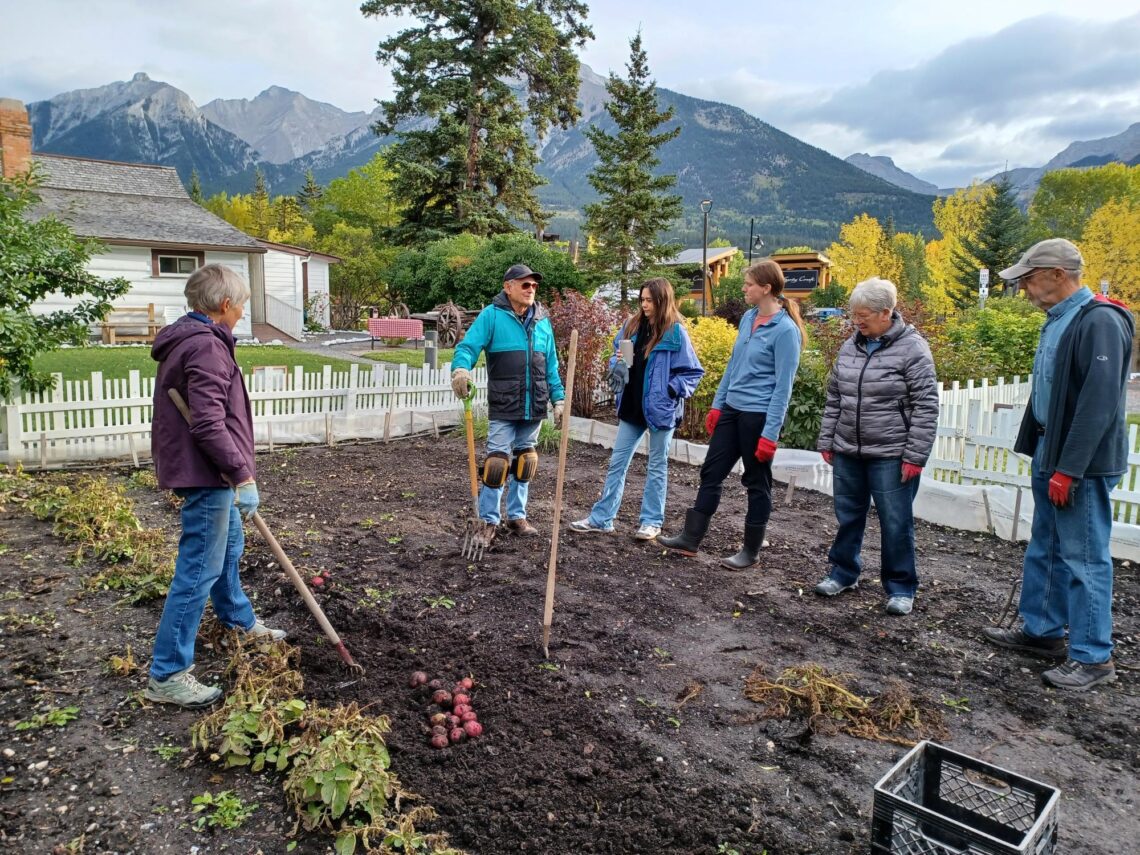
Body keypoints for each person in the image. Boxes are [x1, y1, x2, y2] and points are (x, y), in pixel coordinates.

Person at [982, 238, 1132, 691]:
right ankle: (1041, 631)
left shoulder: (1100, 321)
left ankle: (1092, 657)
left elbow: (1098, 403)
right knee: (1045, 545)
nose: (1024, 289)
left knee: (1084, 557)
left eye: (1028, 279)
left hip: (1078, 465)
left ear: (1056, 275)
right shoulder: (1060, 321)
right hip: (1053, 455)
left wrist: (1069, 468)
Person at [145, 264, 286, 709]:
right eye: (241, 304)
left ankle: (239, 621)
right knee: (198, 571)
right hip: (208, 475)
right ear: (225, 305)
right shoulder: (206, 347)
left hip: (208, 472)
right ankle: (168, 673)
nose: (242, 312)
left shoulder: (192, 339)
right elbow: (207, 422)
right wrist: (241, 473)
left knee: (228, 551)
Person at [659, 259, 805, 569]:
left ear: (766, 288)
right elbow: (733, 366)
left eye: (749, 284)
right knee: (711, 472)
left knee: (756, 481)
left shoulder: (786, 331)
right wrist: (717, 404)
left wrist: (770, 433)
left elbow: (783, 387)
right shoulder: (749, 318)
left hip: (758, 416)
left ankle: (750, 552)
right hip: (732, 410)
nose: (744, 288)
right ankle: (690, 539)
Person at [813, 277, 939, 616]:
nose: (857, 321)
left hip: (891, 454)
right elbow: (835, 397)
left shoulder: (913, 349)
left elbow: (926, 406)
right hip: (848, 451)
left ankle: (901, 587)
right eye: (854, 315)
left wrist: (915, 455)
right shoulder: (850, 346)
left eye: (863, 315)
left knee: (896, 522)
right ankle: (843, 572)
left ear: (886, 313)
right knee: (848, 516)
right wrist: (827, 440)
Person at [569, 278, 705, 540]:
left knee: (656, 467)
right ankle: (602, 518)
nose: (644, 305)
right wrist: (618, 363)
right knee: (617, 464)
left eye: (649, 300)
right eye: (641, 299)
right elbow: (616, 354)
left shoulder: (675, 333)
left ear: (662, 300)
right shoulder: (631, 325)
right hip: (631, 406)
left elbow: (692, 372)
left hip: (660, 409)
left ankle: (651, 521)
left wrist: (670, 390)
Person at [451, 263, 565, 547]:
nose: (531, 290)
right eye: (525, 284)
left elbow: (551, 365)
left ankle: (517, 516)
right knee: (497, 465)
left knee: (526, 462)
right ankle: (488, 521)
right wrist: (461, 370)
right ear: (508, 287)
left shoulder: (542, 320)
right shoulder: (492, 316)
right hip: (504, 403)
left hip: (534, 403)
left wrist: (558, 399)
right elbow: (467, 347)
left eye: (534, 286)